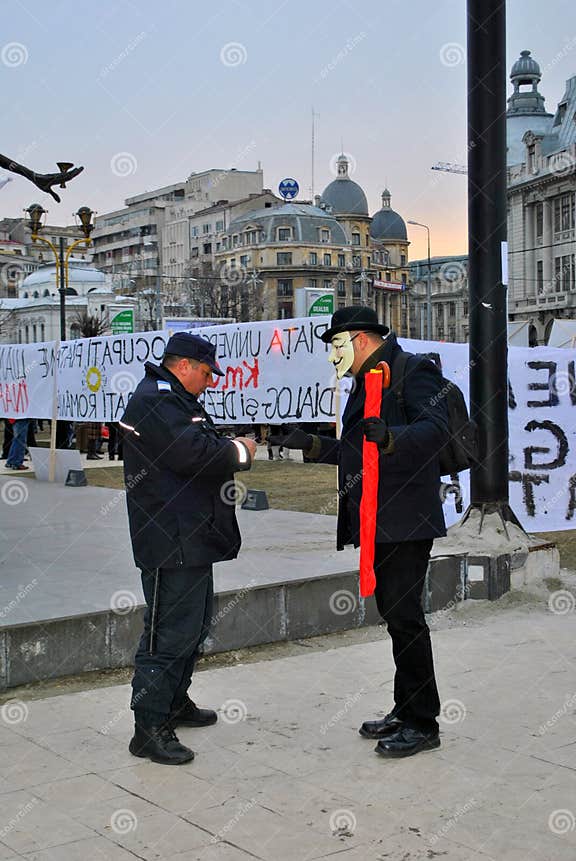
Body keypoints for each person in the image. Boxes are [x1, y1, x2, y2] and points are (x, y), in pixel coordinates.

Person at [272, 306, 449, 758]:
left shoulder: (413, 371)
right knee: (396, 617)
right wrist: (312, 445)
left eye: (336, 344)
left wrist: (391, 436)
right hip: (377, 518)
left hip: (406, 517)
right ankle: (405, 707)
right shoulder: (362, 383)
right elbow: (357, 448)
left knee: (407, 619)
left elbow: (436, 431)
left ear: (361, 339)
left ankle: (423, 723)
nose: (333, 355)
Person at [120, 332, 257, 766]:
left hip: (190, 535)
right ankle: (149, 727)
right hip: (170, 538)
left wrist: (223, 447)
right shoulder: (157, 399)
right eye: (206, 372)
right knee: (167, 633)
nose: (211, 381)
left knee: (193, 626)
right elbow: (193, 454)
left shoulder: (175, 398)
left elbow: (198, 447)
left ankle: (174, 702)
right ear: (183, 366)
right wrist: (242, 450)